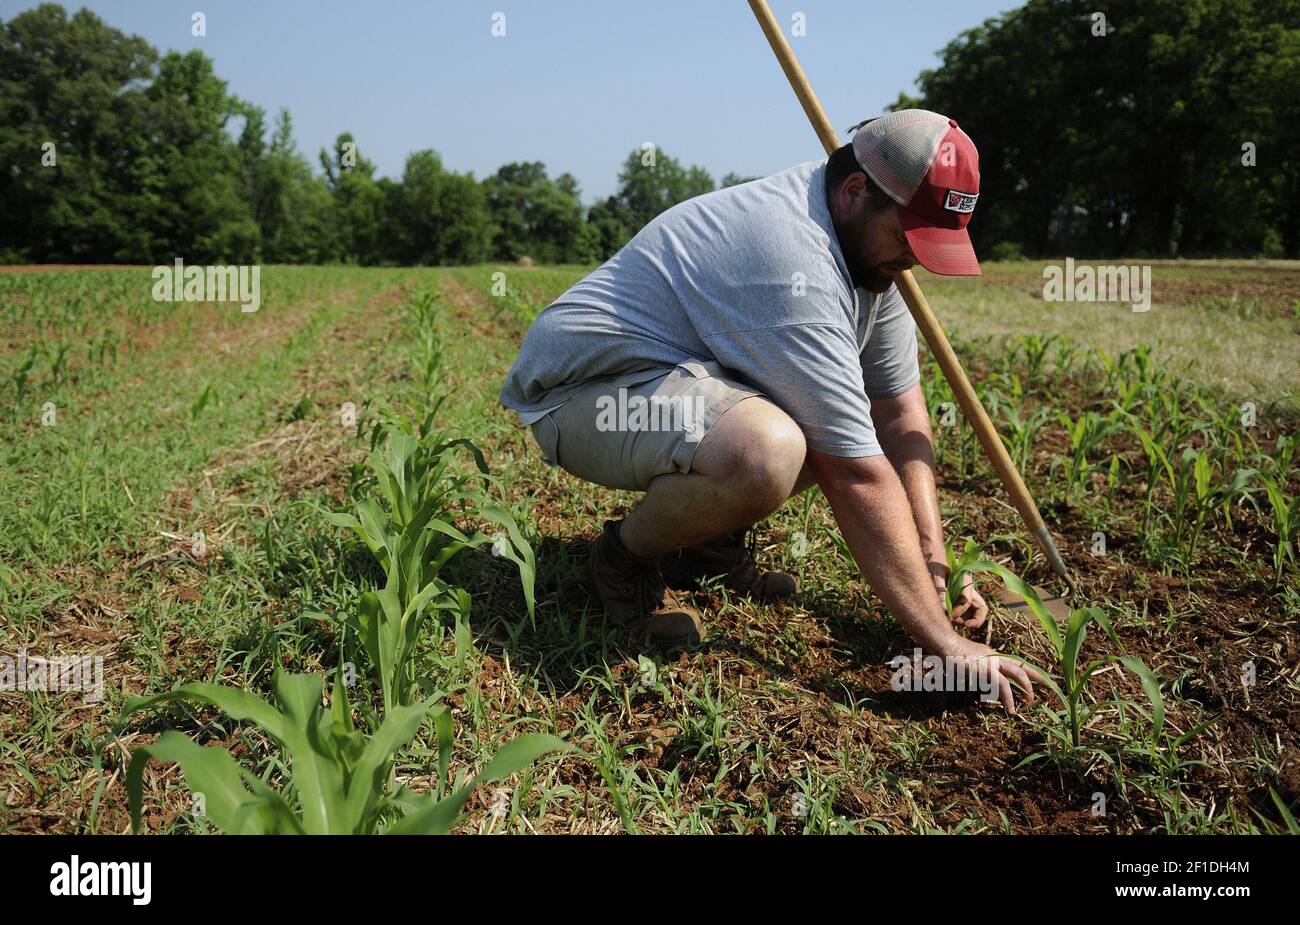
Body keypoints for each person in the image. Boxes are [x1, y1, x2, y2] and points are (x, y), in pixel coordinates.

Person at [500, 109, 1041, 714]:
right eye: (910, 239)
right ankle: (621, 560)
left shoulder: (870, 257)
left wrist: (936, 567)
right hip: (585, 395)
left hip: (670, 380)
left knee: (817, 414)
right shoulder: (792, 259)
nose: (915, 261)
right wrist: (942, 644)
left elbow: (897, 417)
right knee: (771, 449)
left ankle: (703, 549)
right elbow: (856, 470)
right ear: (857, 192)